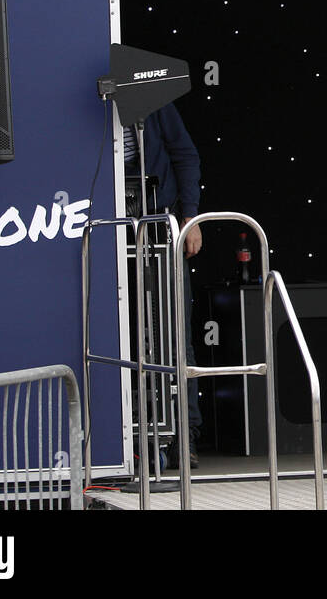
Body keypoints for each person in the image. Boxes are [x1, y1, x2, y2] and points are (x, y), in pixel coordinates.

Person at [125, 102, 204, 466]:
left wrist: (190, 215)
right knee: (123, 337)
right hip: (109, 223)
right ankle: (128, 439)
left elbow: (184, 153)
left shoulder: (152, 98)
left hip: (159, 221)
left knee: (173, 335)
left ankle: (184, 437)